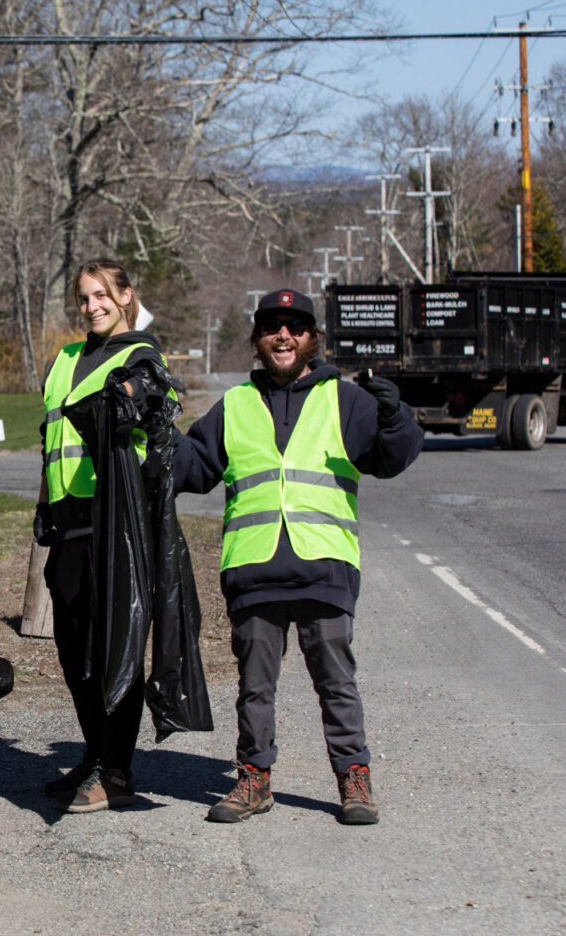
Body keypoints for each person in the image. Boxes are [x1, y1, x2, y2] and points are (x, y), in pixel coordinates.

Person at [172, 289, 422, 825]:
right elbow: (192, 469)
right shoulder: (235, 405)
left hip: (324, 567)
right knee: (254, 688)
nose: (283, 335)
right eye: (272, 327)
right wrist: (156, 434)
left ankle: (354, 779)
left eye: (296, 327)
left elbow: (392, 458)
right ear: (259, 339)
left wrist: (396, 413)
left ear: (312, 338)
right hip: (255, 570)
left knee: (336, 682)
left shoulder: (346, 400)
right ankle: (254, 781)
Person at [33, 259, 173, 813]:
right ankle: (94, 752)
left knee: (111, 648)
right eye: (84, 298)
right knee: (73, 652)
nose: (91, 306)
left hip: (112, 521)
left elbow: (150, 405)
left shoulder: (141, 355)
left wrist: (137, 391)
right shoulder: (66, 358)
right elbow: (51, 436)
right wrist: (44, 506)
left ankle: (116, 768)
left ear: (125, 297)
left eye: (101, 296)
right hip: (66, 521)